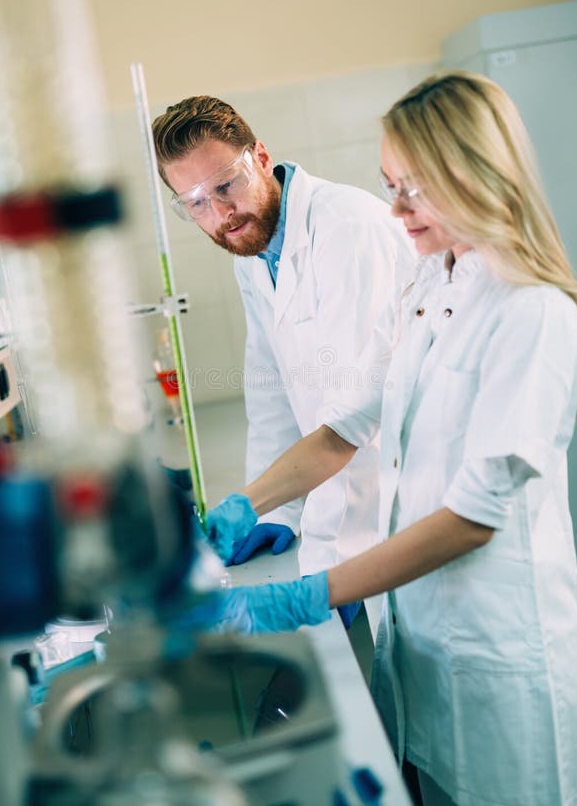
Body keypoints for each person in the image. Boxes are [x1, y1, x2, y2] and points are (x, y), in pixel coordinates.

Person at [212, 71, 577, 806]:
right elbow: (344, 429)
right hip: (421, 640)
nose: (396, 208)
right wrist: (244, 504)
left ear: (479, 175)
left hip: (497, 651)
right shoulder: (425, 287)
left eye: (417, 186)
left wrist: (309, 595)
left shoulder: (533, 315)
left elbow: (474, 517)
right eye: (390, 184)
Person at [152, 96, 414, 631]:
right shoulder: (253, 248)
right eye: (195, 203)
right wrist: (276, 512)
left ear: (261, 156)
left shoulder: (347, 230)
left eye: (226, 185)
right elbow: (271, 389)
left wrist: (322, 560)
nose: (220, 214)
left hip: (388, 511)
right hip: (338, 498)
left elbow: (354, 422)